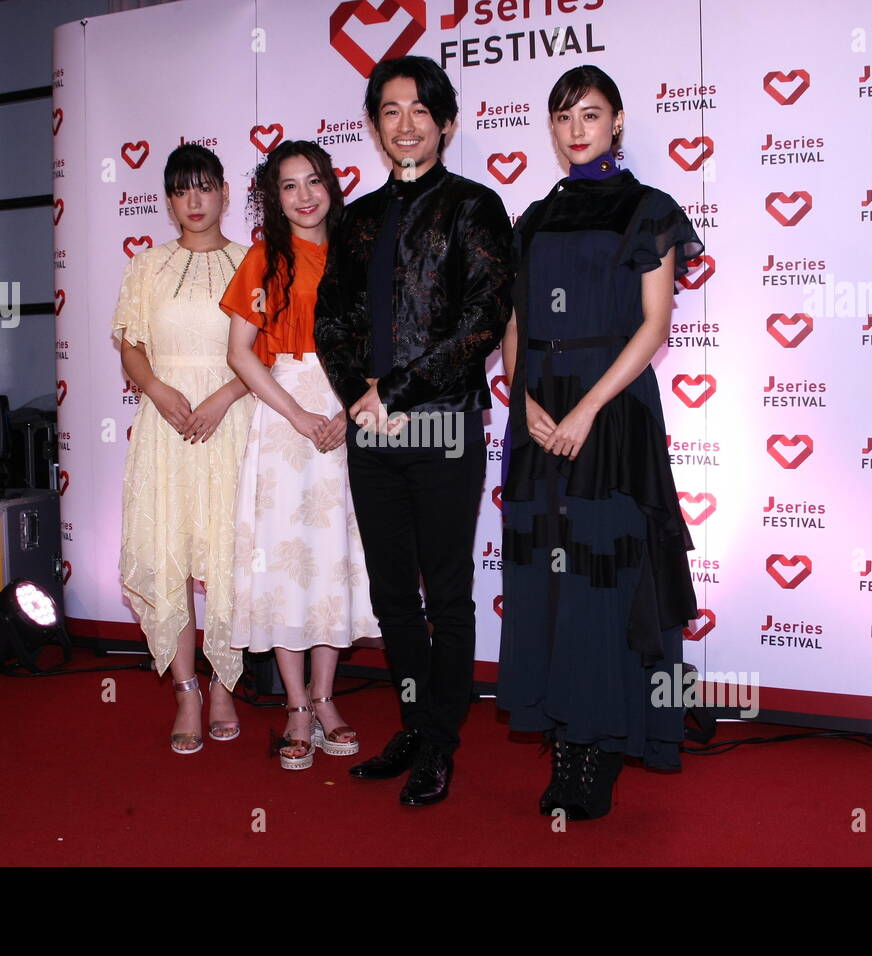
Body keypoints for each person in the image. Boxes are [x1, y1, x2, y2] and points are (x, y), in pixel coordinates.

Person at [498, 65, 704, 819]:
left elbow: (655, 325)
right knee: (546, 583)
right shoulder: (532, 218)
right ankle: (564, 731)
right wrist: (523, 402)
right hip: (539, 412)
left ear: (617, 121)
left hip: (611, 411)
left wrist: (585, 408)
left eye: (590, 114)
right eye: (563, 117)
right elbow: (515, 321)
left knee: (604, 580)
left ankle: (600, 743)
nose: (576, 128)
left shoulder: (648, 209)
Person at [314, 56, 513, 806]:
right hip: (373, 432)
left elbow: (481, 322)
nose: (405, 123)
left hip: (443, 428)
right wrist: (359, 395)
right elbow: (330, 318)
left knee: (449, 593)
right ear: (373, 127)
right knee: (394, 596)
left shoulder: (474, 207)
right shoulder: (359, 218)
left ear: (446, 123)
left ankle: (440, 739)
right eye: (390, 111)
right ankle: (411, 719)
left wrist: (393, 390)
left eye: (420, 110)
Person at [222, 140, 379, 771]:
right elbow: (240, 353)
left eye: (314, 181)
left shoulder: (356, 256)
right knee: (283, 563)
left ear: (331, 187)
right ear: (273, 197)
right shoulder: (263, 259)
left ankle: (325, 698)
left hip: (347, 415)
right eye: (289, 186)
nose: (305, 196)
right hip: (285, 419)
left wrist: (349, 411)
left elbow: (380, 348)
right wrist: (299, 414)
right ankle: (293, 705)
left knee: (330, 559)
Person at [112, 144, 254, 754]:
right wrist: (158, 390)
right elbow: (131, 345)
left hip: (234, 418)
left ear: (225, 191)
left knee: (227, 555)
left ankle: (225, 682)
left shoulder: (254, 263)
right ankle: (187, 689)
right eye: (180, 190)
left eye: (204, 187)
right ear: (169, 201)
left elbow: (270, 351)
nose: (194, 201)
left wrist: (223, 397)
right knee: (169, 549)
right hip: (165, 423)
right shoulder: (146, 267)